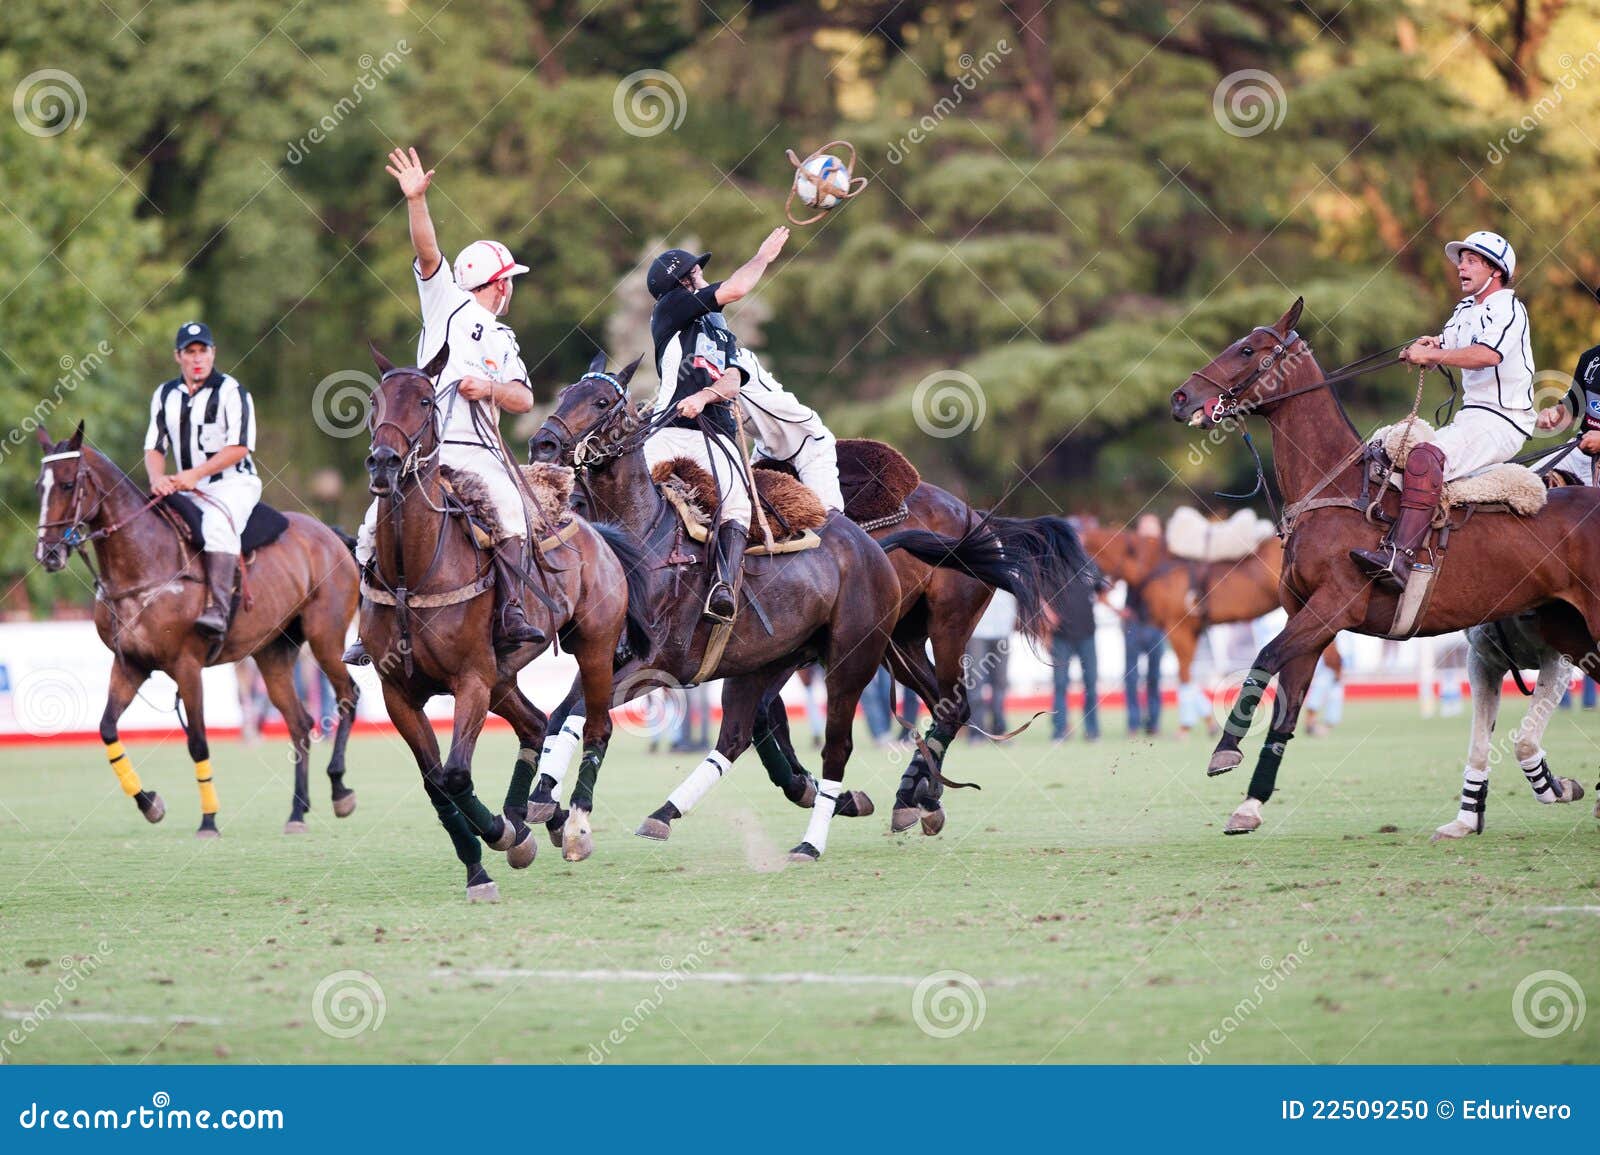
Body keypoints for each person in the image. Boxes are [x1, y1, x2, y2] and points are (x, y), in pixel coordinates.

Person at [345, 147, 544, 664]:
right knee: (372, 524)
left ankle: (513, 612)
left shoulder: (503, 337)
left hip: (480, 452)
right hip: (426, 450)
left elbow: (523, 399)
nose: (510, 291)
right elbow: (429, 252)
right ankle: (364, 627)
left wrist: (489, 388)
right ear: (500, 284)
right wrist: (416, 202)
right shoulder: (446, 301)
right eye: (510, 283)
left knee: (510, 512)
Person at [1351, 230, 1533, 592]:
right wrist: (1426, 347)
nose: (1461, 267)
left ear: (1495, 270)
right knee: (1388, 451)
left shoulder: (1509, 307)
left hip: (1505, 420)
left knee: (1423, 458)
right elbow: (1446, 346)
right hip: (1473, 415)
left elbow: (1487, 355)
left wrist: (1433, 355)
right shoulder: (1465, 310)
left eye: (1471, 261)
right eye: (1460, 261)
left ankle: (1400, 557)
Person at [645, 232, 789, 621]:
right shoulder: (672, 308)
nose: (705, 277)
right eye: (698, 271)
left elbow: (732, 380)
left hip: (718, 435)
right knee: (634, 489)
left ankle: (722, 587)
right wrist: (763, 256)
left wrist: (706, 397)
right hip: (671, 429)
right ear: (685, 281)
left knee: (738, 505)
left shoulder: (719, 328)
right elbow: (740, 287)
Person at [144, 320, 260, 639]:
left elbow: (239, 446)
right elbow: (154, 447)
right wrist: (157, 478)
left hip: (233, 484)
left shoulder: (231, 391)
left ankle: (219, 611)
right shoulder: (165, 394)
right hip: (187, 486)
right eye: (190, 352)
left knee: (216, 526)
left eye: (203, 351)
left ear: (213, 353)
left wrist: (195, 474)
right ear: (177, 356)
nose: (197, 358)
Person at [1050, 562, 1110, 741]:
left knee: (1091, 684)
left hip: (1087, 634)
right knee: (1060, 684)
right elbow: (1040, 593)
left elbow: (1102, 591)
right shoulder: (1054, 564)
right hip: (1061, 636)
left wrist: (1118, 609)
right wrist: (1047, 614)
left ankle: (1092, 731)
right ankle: (1060, 730)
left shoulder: (1091, 565)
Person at [1122, 513, 1166, 736]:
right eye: (1144, 528)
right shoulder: (1131, 553)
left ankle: (1153, 722)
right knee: (1131, 676)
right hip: (1133, 621)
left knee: (1154, 676)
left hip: (1156, 622)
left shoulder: (1165, 556)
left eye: (1152, 527)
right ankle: (1133, 723)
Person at [1534, 339, 1600, 485]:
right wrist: (1553, 414)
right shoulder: (1590, 358)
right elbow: (1570, 409)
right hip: (1578, 454)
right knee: (1522, 486)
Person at [965, 590, 1016, 740]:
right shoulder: (975, 567)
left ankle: (999, 730)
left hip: (1003, 632)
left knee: (1000, 684)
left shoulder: (1012, 568)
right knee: (975, 683)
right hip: (978, 632)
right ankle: (976, 732)